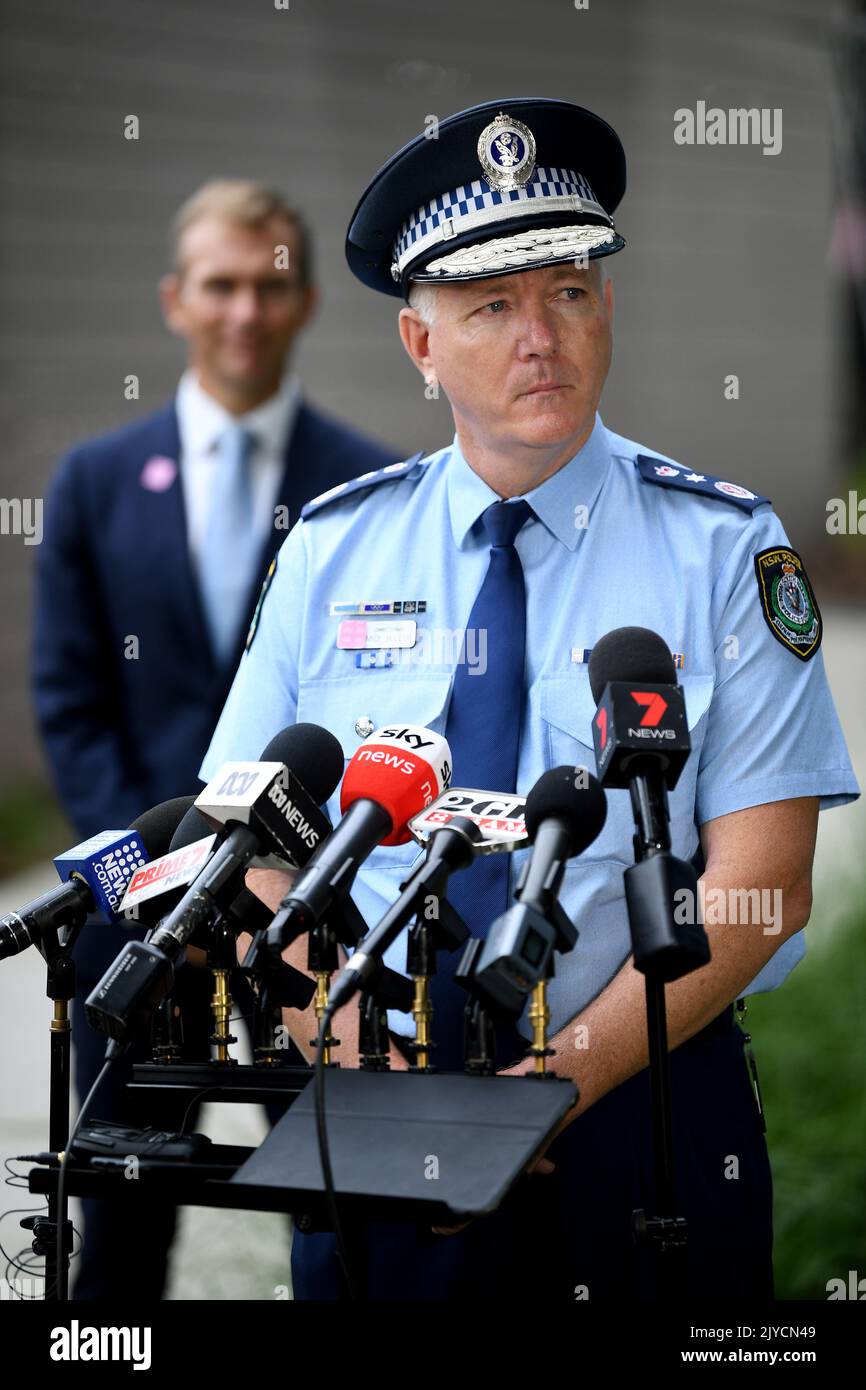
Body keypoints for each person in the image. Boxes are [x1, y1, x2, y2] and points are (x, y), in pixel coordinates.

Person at [199, 101, 859, 1300]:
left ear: (604, 307)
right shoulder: (329, 552)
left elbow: (762, 885)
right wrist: (361, 1068)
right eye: (490, 306)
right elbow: (243, 849)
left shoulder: (724, 550)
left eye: (566, 290)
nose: (537, 336)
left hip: (645, 1101)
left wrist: (563, 1079)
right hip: (373, 1099)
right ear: (418, 343)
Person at [32, 179, 401, 1299]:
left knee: (336, 1215)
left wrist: (282, 885)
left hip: (308, 926)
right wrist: (161, 879)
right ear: (176, 301)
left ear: (301, 306)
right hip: (139, 925)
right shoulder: (95, 482)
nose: (244, 309)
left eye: (267, 285)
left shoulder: (369, 487)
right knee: (121, 1229)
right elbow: (69, 695)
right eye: (220, 285)